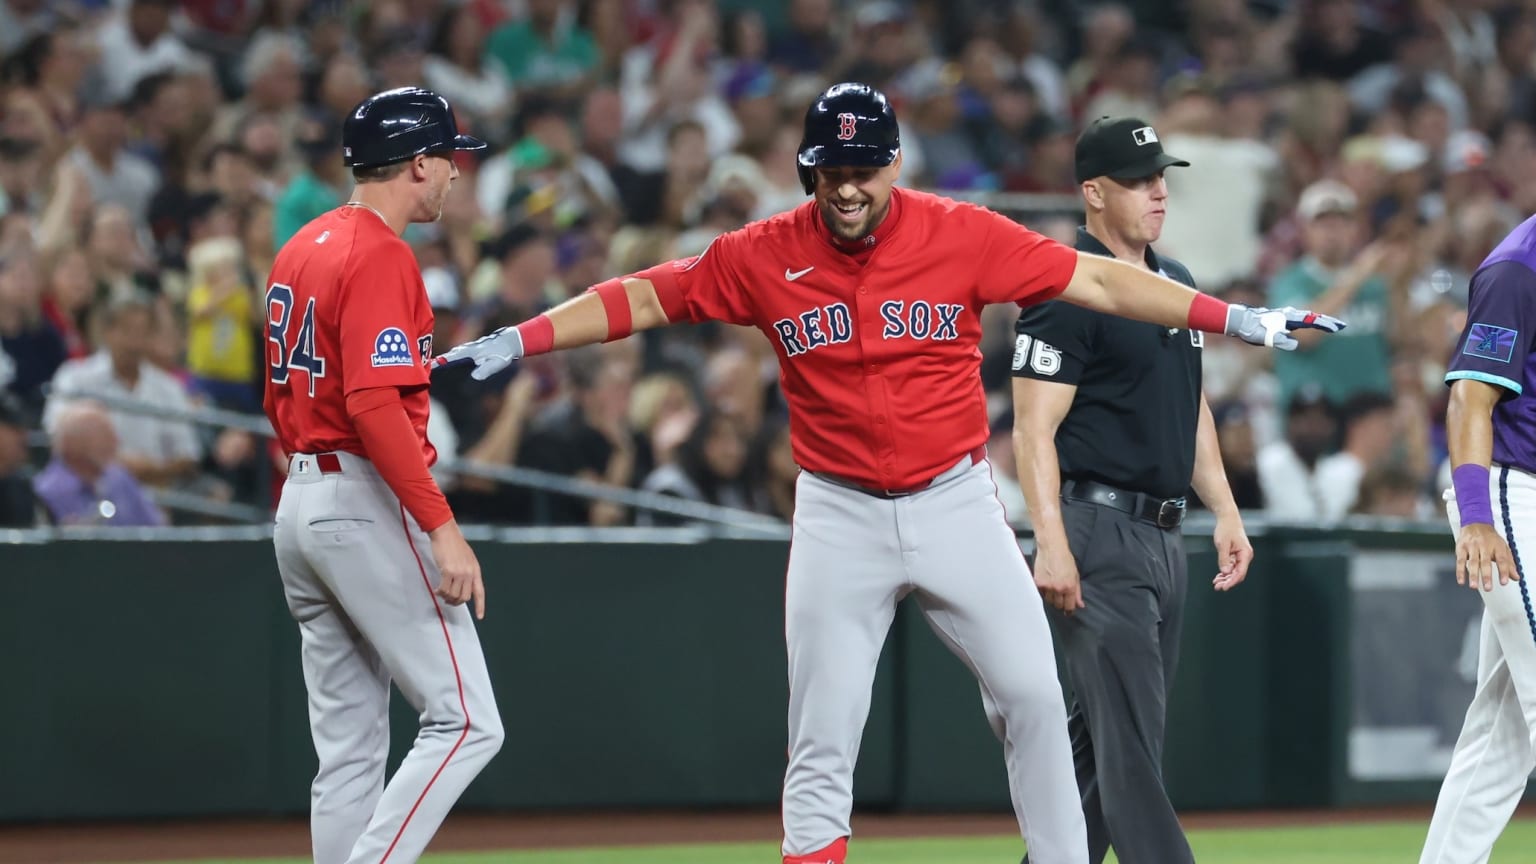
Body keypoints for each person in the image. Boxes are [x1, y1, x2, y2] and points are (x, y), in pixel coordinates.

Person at [432, 82, 1342, 864]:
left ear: (895, 165)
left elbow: (1100, 282)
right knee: (821, 741)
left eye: (866, 169)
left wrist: (1241, 320)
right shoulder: (764, 253)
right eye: (834, 170)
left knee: (1030, 698)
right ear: (808, 171)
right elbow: (643, 295)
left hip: (954, 502)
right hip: (838, 515)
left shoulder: (960, 233)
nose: (850, 186)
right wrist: (525, 336)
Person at [262, 87, 503, 864]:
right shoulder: (381, 254)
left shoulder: (302, 245)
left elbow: (276, 395)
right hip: (361, 495)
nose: (457, 175)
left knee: (350, 748)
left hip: (301, 496)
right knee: (467, 720)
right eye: (451, 160)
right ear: (420, 163)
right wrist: (442, 526)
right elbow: (373, 405)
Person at [1010, 115, 1253, 864]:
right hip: (1097, 532)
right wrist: (1050, 543)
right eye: (1139, 181)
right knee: (1133, 757)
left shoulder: (1174, 281)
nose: (1157, 192)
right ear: (1093, 193)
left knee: (1102, 754)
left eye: (1160, 178)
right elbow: (1031, 430)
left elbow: (1193, 407)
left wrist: (1226, 509)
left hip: (1162, 536)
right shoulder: (1065, 286)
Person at [1419, 212, 1536, 864]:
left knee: (1502, 737)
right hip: (1510, 491)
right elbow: (1469, 398)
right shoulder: (1518, 267)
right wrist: (1474, 519)